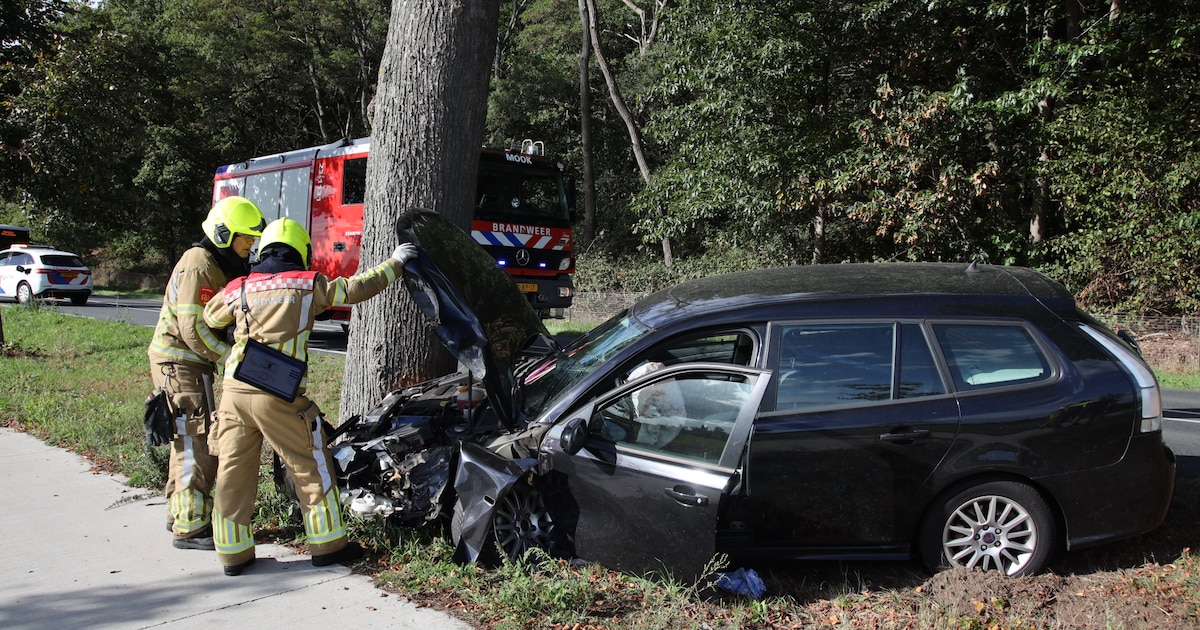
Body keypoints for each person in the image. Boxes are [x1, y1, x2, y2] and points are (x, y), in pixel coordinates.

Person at [202, 217, 417, 576]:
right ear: (301, 251)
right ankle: (329, 545)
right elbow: (354, 289)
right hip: (277, 393)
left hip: (234, 391)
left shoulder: (238, 287)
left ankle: (232, 554)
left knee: (233, 471)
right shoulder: (306, 284)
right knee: (310, 464)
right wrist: (396, 263)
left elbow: (210, 316)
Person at [148, 196, 267, 550]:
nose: (249, 245)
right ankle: (190, 526)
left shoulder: (215, 262)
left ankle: (181, 510)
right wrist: (232, 357)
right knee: (194, 438)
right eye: (244, 238)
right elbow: (193, 328)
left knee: (190, 436)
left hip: (189, 363)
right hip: (181, 362)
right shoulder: (199, 264)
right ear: (222, 234)